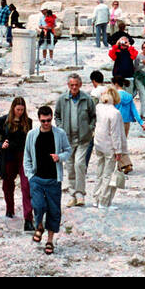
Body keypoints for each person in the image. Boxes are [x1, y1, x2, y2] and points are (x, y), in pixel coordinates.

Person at [23, 105, 71, 255]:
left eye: (49, 120)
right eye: (43, 121)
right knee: (38, 205)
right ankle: (39, 226)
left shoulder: (60, 133)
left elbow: (68, 150)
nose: (46, 123)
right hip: (37, 178)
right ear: (39, 119)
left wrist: (60, 157)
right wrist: (30, 176)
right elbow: (27, 156)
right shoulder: (31, 135)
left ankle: (49, 241)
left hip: (53, 179)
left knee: (53, 211)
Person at [0, 97, 34, 229]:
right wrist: (0, 144)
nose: (20, 112)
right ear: (13, 108)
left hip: (23, 156)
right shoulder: (3, 121)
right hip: (8, 155)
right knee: (7, 184)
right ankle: (10, 208)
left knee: (26, 186)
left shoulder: (28, 122)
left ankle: (28, 219)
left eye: (22, 110)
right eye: (18, 110)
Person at [54, 74, 96, 207]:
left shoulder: (87, 99)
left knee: (79, 165)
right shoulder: (62, 99)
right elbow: (57, 115)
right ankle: (73, 195)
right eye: (71, 85)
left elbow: (93, 117)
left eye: (76, 85)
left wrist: (90, 128)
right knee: (70, 167)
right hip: (67, 139)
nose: (74, 87)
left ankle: (80, 194)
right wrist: (60, 128)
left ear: (80, 85)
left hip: (83, 139)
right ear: (68, 86)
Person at [92, 86, 129, 208]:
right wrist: (119, 151)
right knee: (108, 174)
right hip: (109, 147)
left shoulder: (99, 108)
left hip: (98, 144)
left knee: (99, 172)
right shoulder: (115, 113)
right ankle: (104, 201)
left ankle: (96, 198)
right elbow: (116, 133)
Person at [108, 34, 138, 101]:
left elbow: (134, 56)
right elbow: (111, 55)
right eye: (122, 42)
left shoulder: (130, 50)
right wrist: (116, 45)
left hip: (129, 76)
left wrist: (129, 46)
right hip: (118, 76)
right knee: (117, 97)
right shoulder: (117, 50)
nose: (123, 44)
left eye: (125, 42)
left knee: (129, 96)